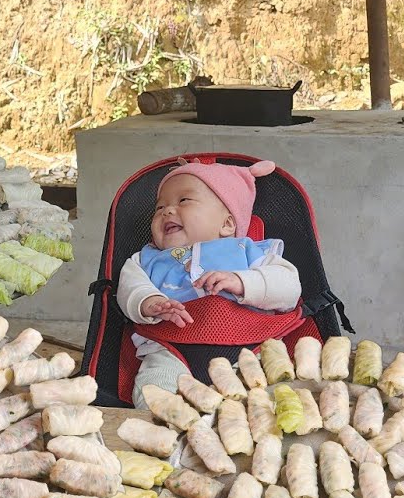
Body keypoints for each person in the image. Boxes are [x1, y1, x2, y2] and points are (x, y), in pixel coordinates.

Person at [117, 160, 302, 407]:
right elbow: (129, 287)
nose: (167, 211)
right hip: (170, 350)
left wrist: (242, 281)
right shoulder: (146, 259)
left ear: (227, 224)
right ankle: (172, 434)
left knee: (272, 396)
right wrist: (148, 302)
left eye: (184, 201)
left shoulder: (248, 251)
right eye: (160, 206)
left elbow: (289, 287)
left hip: (249, 348)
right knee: (154, 392)